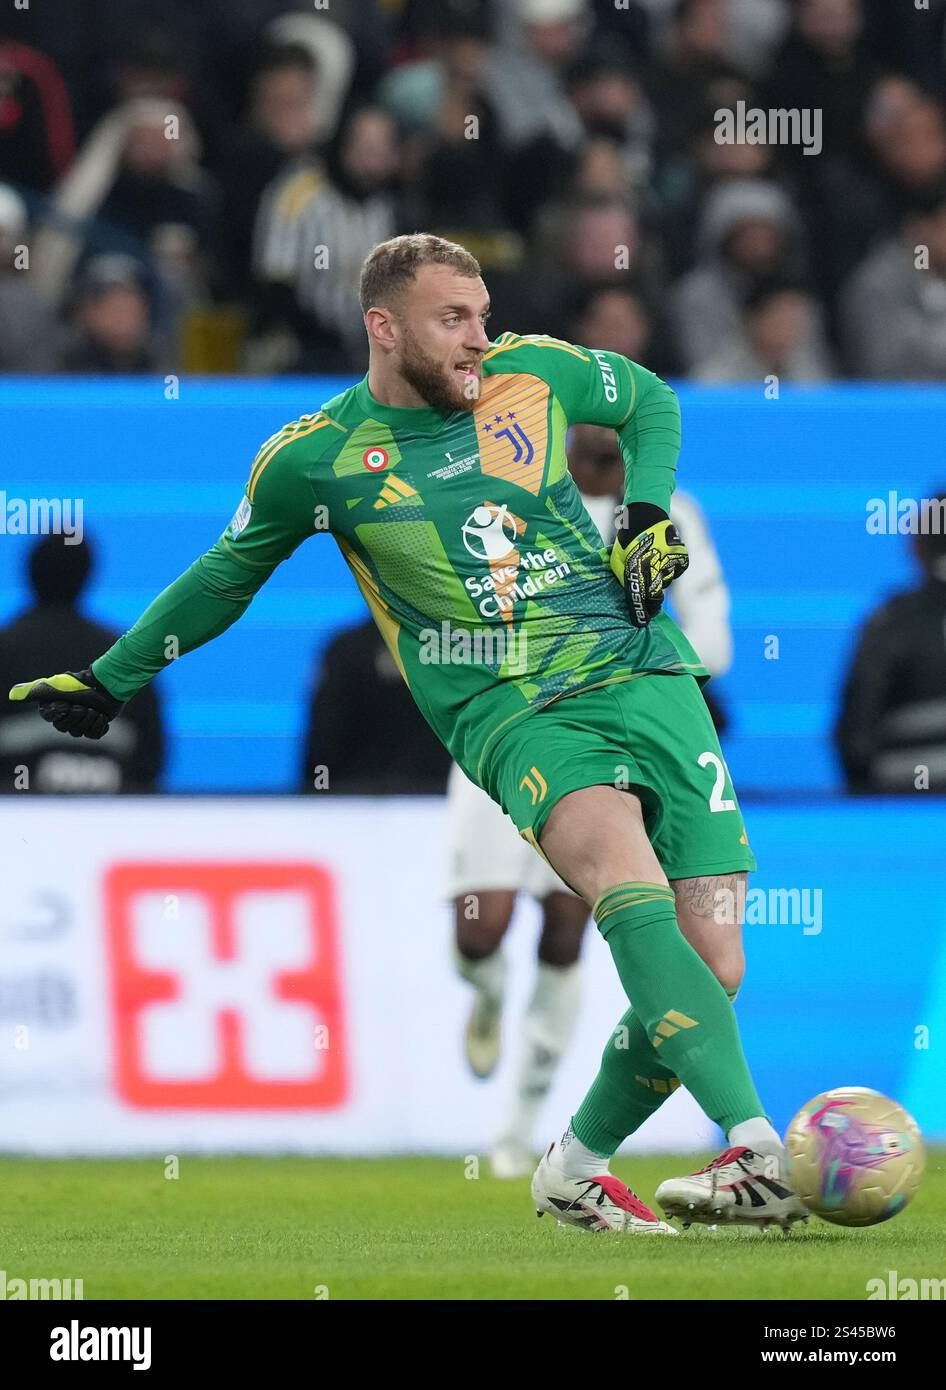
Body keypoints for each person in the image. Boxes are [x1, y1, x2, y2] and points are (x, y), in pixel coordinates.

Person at [11, 233, 805, 1235]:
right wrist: (115, 673)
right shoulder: (318, 458)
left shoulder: (528, 371)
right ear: (383, 327)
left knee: (713, 963)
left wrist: (643, 511)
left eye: (479, 313)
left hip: (648, 673)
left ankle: (574, 1162)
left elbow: (645, 395)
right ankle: (755, 1147)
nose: (479, 337)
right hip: (511, 707)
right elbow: (226, 574)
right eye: (452, 319)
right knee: (623, 882)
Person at [450, 420, 734, 1181]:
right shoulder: (510, 506)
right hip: (513, 734)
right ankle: (484, 991)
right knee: (482, 928)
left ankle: (519, 1129)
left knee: (569, 930)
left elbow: (712, 642)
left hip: (616, 741)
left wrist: (632, 649)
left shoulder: (668, 515)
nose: (597, 445)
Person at [0, 535, 164, 793]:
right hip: (111, 824)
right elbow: (149, 767)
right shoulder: (129, 658)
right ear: (87, 574)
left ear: (29, 571)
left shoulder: (5, 649)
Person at [835, 490, 946, 793]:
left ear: (918, 545)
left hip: (900, 802)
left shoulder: (892, 619)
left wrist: (864, 801)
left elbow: (856, 724)